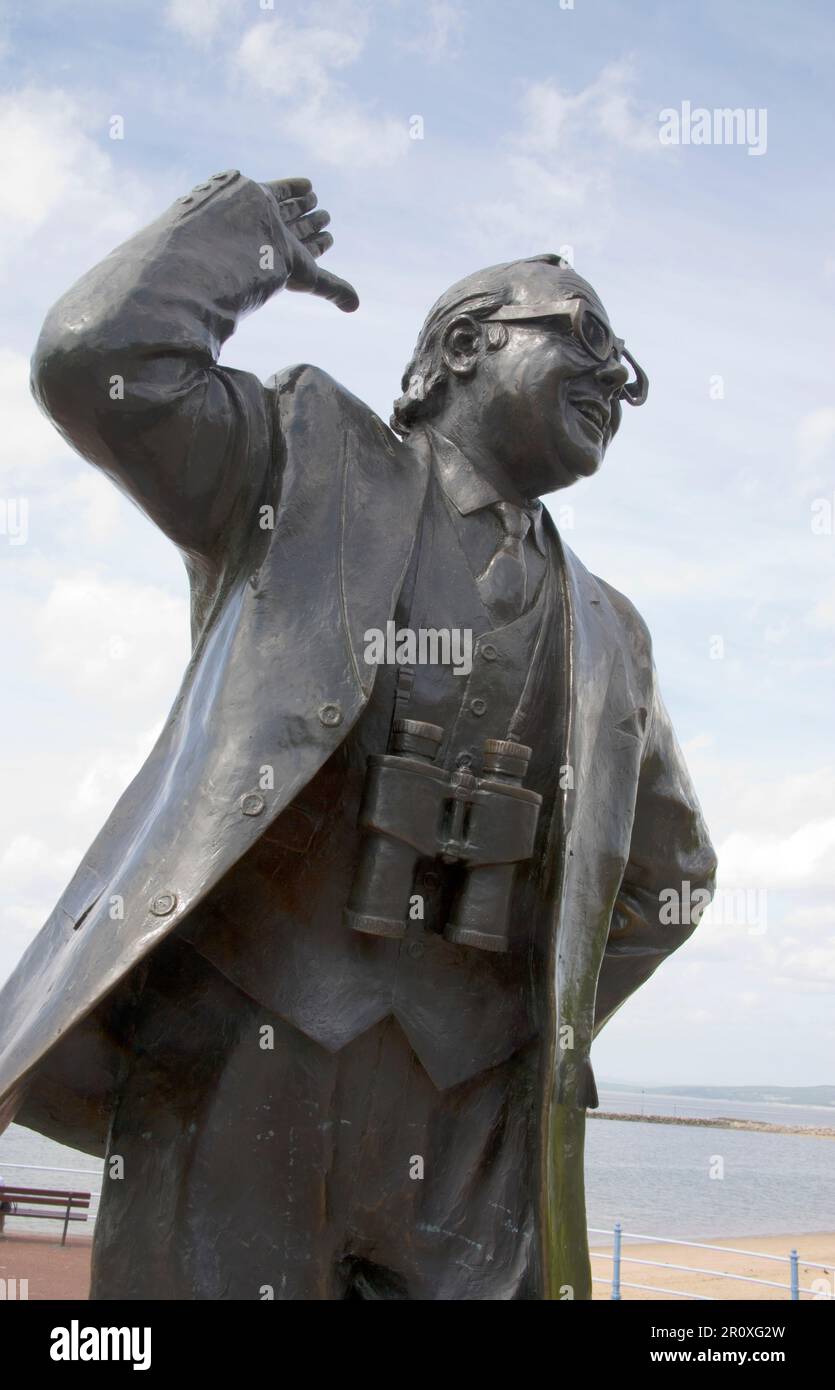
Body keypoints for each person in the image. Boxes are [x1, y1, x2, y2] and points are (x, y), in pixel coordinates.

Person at [0, 171, 716, 1299]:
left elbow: (672, 876)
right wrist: (236, 241)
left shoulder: (610, 631)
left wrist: (521, 1008)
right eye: (581, 335)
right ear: (462, 347)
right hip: (239, 1073)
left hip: (474, 1129)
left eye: (625, 370)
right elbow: (96, 367)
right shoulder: (305, 456)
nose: (612, 380)